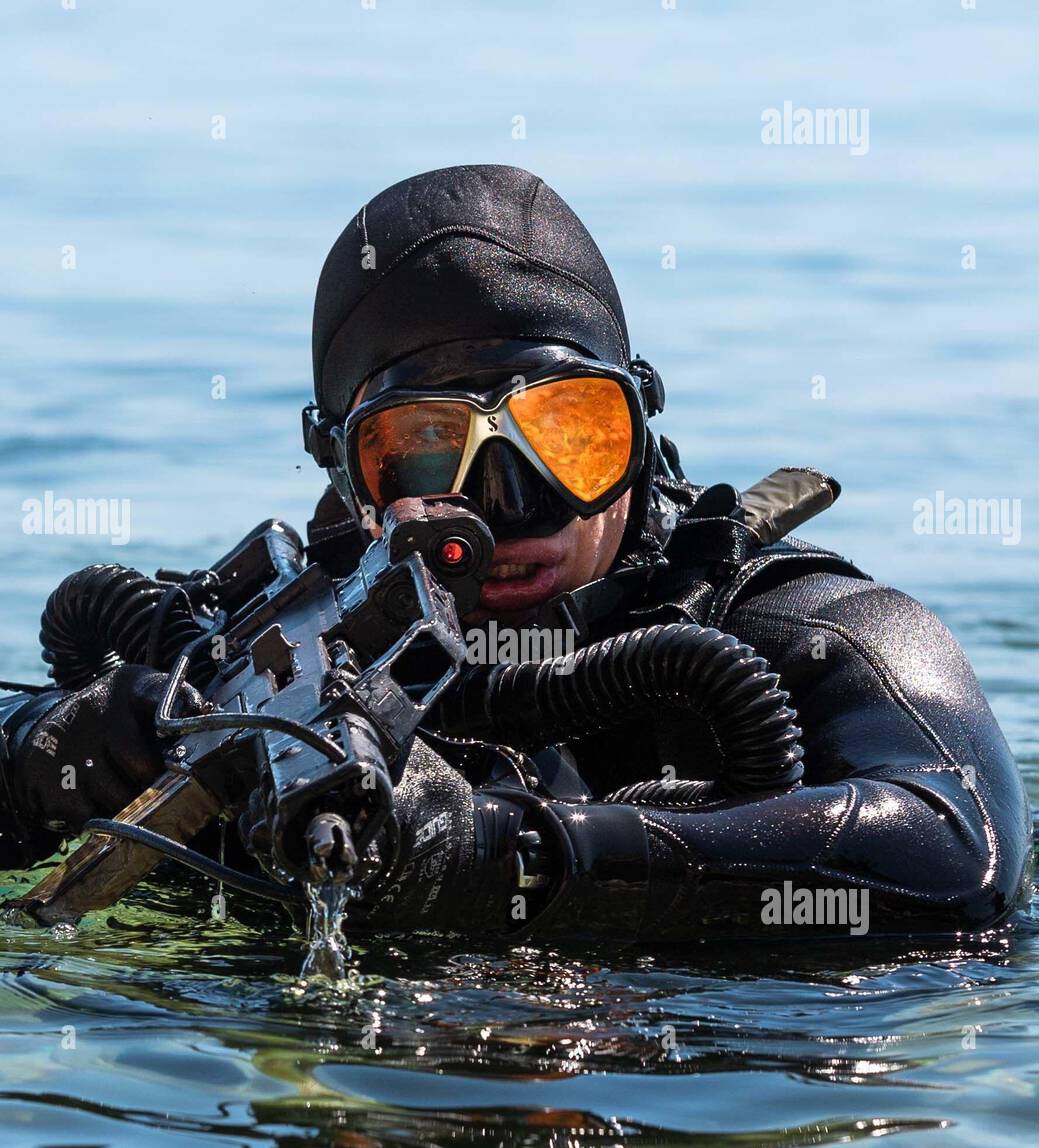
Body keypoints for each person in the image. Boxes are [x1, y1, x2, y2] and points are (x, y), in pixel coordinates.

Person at [1, 165, 1032, 942]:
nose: (509, 505)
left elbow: (959, 851)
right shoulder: (264, 655)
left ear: (640, 428)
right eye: (425, 450)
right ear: (346, 478)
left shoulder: (797, 630)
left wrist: (490, 855)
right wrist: (51, 748)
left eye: (569, 432)